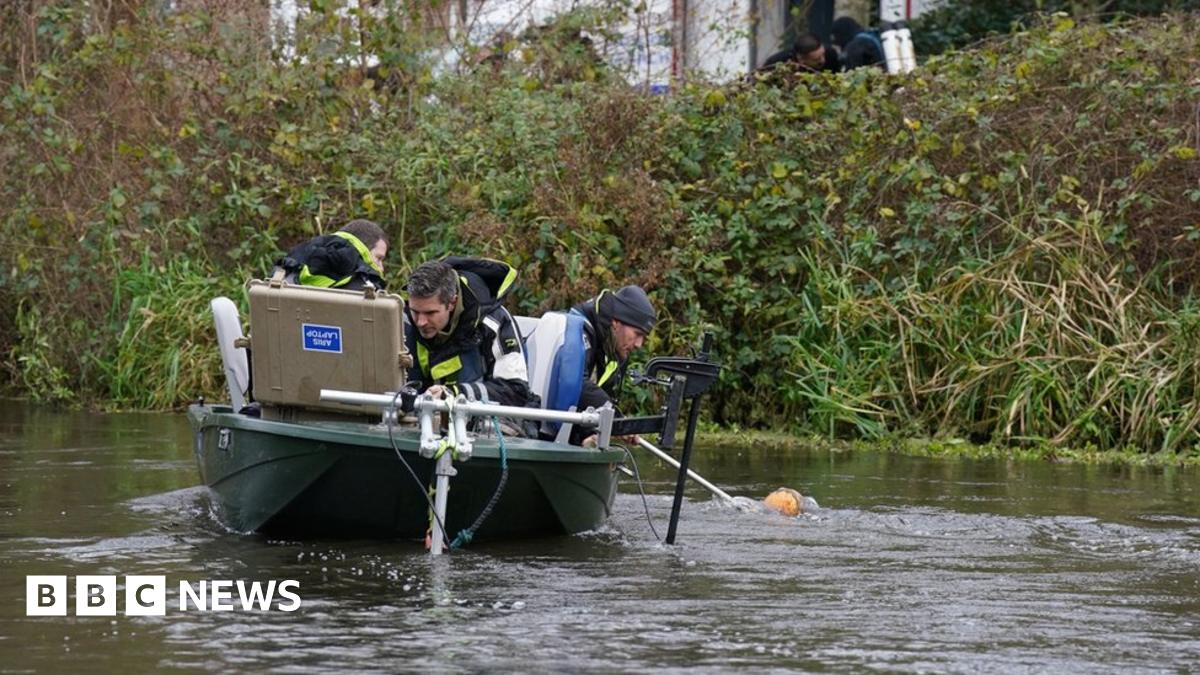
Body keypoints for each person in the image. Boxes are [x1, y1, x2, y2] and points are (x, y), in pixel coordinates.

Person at [404, 257, 531, 409]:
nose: (420, 322)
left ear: (452, 302)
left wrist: (455, 393)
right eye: (415, 311)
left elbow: (516, 391)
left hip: (483, 422)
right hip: (418, 418)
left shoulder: (493, 322)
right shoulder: (403, 320)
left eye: (430, 313)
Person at [569, 286, 656, 445]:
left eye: (643, 337)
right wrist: (616, 419)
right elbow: (575, 383)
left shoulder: (615, 349)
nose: (639, 344)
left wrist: (592, 435)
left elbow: (597, 400)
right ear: (616, 322)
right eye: (637, 334)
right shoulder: (576, 331)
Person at [275, 219, 388, 290]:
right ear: (363, 251)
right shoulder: (367, 287)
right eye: (378, 258)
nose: (381, 268)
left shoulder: (285, 270)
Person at [757, 33, 840, 76]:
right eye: (816, 59)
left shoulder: (830, 54)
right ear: (801, 59)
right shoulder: (778, 62)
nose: (823, 60)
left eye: (823, 54)